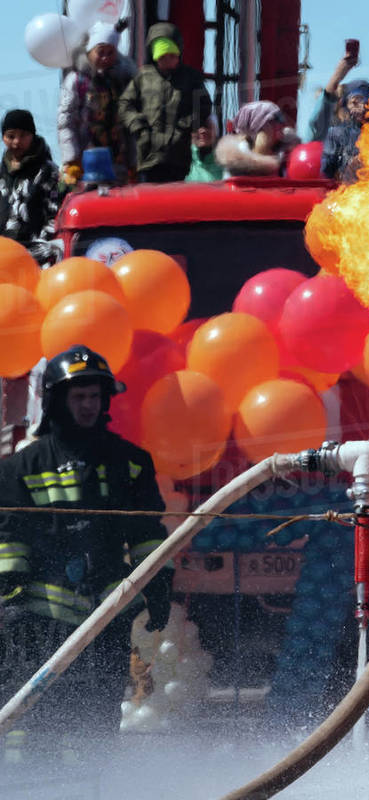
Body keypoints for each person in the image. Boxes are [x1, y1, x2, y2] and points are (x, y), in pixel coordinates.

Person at [0, 346, 171, 756]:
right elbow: (9, 536)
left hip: (105, 616)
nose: (89, 405)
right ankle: (27, 784)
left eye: (95, 396)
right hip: (39, 622)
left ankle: (96, 788)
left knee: (95, 721)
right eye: (79, 397)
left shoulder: (130, 462)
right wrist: (11, 598)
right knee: (30, 716)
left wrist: (160, 582)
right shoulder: (20, 468)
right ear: (57, 400)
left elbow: (147, 532)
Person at [119, 21, 212, 183]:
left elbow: (203, 105)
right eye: (163, 56)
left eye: (172, 56)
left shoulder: (191, 78)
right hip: (148, 155)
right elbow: (125, 104)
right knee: (149, 202)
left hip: (179, 156)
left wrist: (185, 126)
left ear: (179, 54)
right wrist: (140, 128)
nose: (168, 60)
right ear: (155, 56)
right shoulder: (143, 77)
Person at [57, 22, 136, 187]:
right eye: (100, 52)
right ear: (89, 51)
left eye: (110, 53)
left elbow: (132, 122)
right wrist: (71, 159)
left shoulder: (125, 80)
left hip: (118, 160)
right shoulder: (76, 80)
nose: (105, 58)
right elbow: (65, 120)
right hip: (86, 162)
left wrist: (134, 161)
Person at [0, 109, 62, 265]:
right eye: (11, 136)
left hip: (36, 256)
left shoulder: (48, 171)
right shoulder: (1, 173)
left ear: (32, 135)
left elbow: (54, 217)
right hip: (4, 256)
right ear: (3, 138)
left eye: (23, 136)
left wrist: (41, 250)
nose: (16, 142)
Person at [215, 101, 298, 177]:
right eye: (276, 119)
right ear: (257, 129)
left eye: (281, 117)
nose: (283, 123)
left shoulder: (289, 156)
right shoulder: (236, 168)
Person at [321, 79, 369, 183]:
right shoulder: (336, 134)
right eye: (353, 102)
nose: (358, 107)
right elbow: (324, 171)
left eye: (360, 100)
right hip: (346, 194)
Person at [308, 40, 359, 142]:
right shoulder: (320, 129)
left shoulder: (352, 128)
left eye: (320, 100)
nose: (318, 106)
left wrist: (341, 71)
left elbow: (326, 102)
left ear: (339, 101)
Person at [185, 115, 222, 182]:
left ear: (217, 134)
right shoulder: (182, 164)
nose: (202, 131)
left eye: (208, 127)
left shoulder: (227, 165)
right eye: (197, 127)